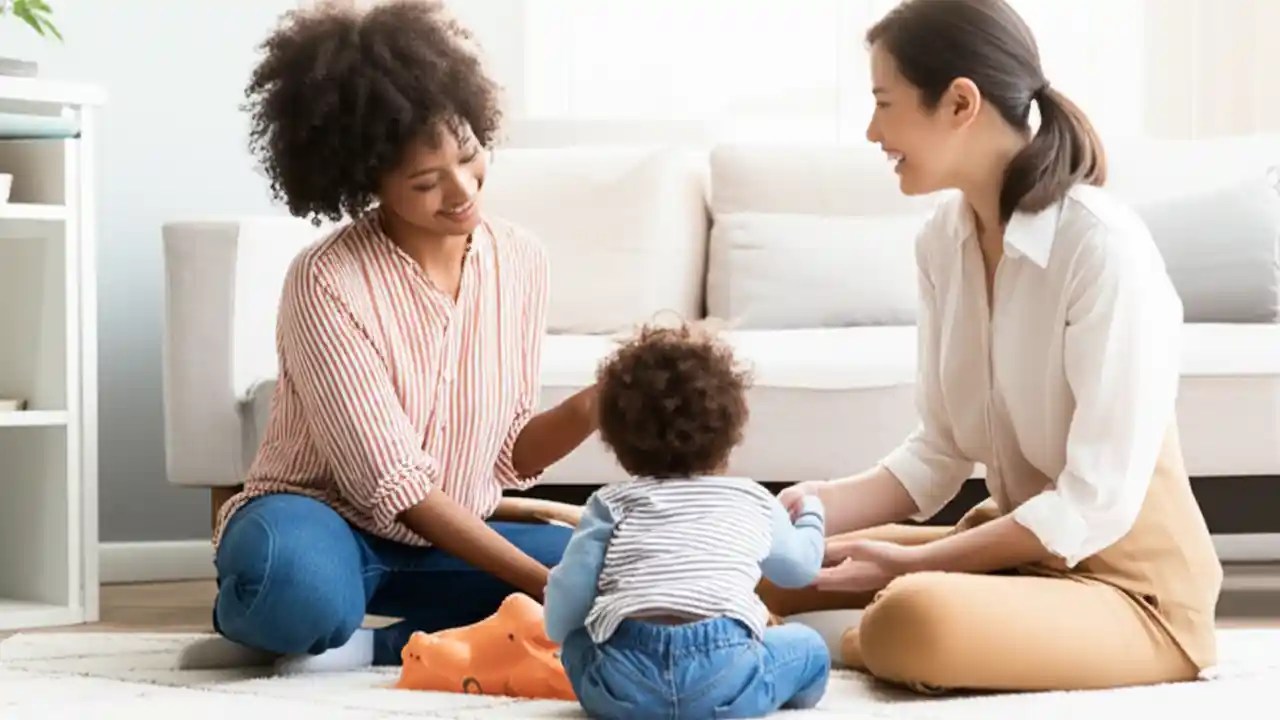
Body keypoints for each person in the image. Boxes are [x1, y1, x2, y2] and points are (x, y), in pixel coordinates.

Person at [769, 0, 1223, 695]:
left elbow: (1091, 505)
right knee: (771, 571)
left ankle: (860, 638)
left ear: (959, 103)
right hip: (1022, 560)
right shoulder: (942, 242)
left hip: (1134, 595)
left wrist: (901, 567)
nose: (871, 131)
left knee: (913, 617)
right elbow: (939, 453)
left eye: (884, 104)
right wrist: (811, 506)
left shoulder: (1100, 246)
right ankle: (867, 623)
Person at [209, 0, 598, 674]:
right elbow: (392, 486)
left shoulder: (521, 259)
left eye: (470, 157)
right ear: (368, 181)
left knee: (611, 572)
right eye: (425, 182)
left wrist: (594, 407)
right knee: (290, 590)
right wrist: (546, 589)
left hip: (447, 538)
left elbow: (507, 451)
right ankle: (279, 614)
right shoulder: (328, 279)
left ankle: (379, 647)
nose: (461, 191)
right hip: (321, 518)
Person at [545, 321, 831, 719]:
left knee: (577, 642)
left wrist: (564, 634)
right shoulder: (752, 500)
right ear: (731, 432)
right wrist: (811, 510)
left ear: (617, 444)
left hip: (624, 687)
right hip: (728, 678)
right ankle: (766, 698)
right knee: (810, 647)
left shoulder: (610, 504)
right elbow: (800, 569)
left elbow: (569, 597)